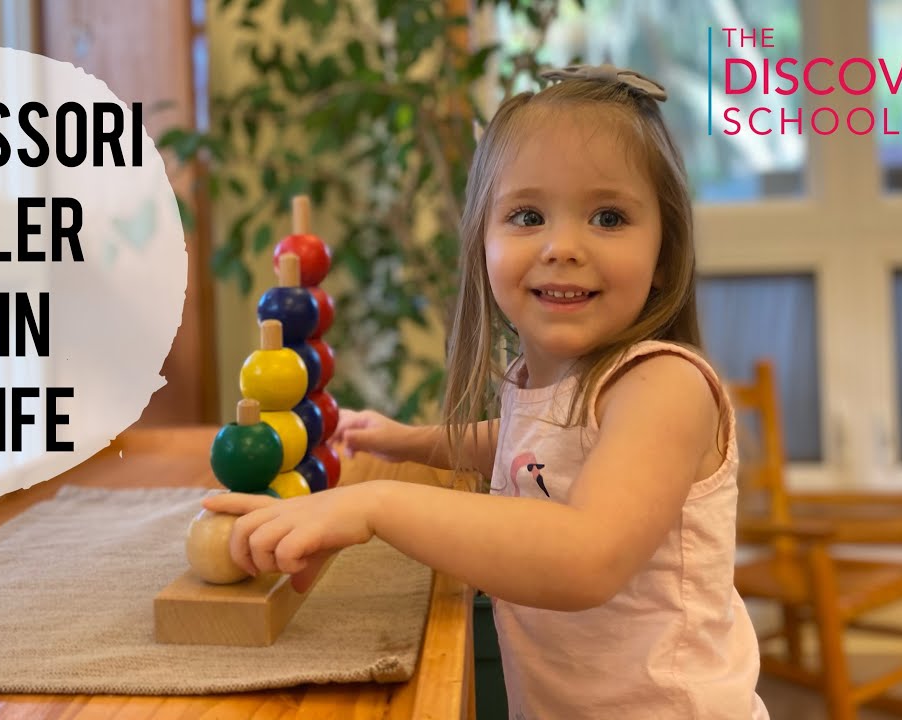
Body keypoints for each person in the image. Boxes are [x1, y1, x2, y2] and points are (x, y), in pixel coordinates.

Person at [204, 63, 768, 719]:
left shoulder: (663, 385)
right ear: (481, 245)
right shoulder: (549, 384)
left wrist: (377, 505)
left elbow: (587, 556)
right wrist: (407, 442)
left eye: (608, 217)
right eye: (528, 214)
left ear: (666, 253)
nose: (562, 245)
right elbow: (532, 450)